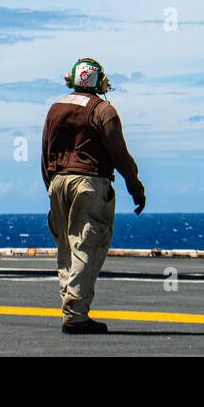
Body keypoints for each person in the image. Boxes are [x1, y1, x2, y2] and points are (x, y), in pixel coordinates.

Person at [41, 57, 146, 335]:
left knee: (66, 247)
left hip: (58, 182)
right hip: (89, 183)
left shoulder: (55, 109)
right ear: (100, 81)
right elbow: (119, 155)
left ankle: (71, 307)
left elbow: (46, 152)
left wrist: (52, 188)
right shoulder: (103, 110)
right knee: (88, 244)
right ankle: (76, 316)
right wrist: (135, 187)